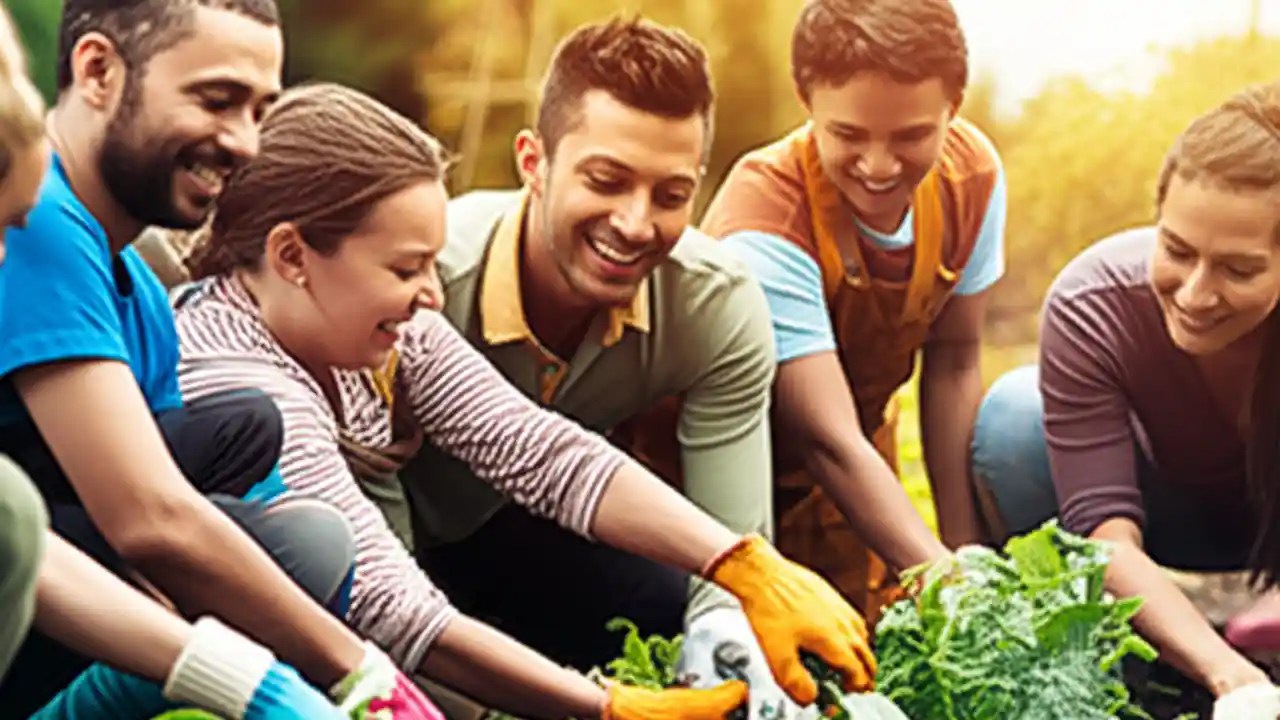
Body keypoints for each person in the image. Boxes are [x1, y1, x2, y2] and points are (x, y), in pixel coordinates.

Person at [175, 80, 876, 720]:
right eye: (405, 268)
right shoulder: (242, 379)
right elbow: (387, 606)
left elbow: (537, 449)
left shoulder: (371, 322)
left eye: (430, 262)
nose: (431, 293)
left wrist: (739, 561)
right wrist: (603, 708)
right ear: (293, 257)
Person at [0, 1, 437, 715]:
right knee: (298, 550)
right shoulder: (40, 222)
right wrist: (356, 670)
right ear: (98, 71)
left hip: (77, 582)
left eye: (260, 110)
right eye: (216, 100)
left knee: (260, 461)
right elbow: (148, 518)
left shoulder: (140, 283)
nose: (243, 142)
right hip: (29, 598)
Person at [399, 14, 780, 687]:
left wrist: (724, 633)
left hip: (537, 543)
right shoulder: (418, 286)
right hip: (389, 548)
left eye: (670, 195)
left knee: (671, 607)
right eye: (606, 180)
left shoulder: (712, 302)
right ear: (533, 164)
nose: (635, 224)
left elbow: (733, 549)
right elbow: (365, 585)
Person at [630, 0, 1003, 624]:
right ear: (807, 103)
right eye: (848, 135)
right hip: (708, 479)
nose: (880, 167)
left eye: (913, 135)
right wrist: (944, 579)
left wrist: (964, 550)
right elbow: (825, 439)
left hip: (854, 471)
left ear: (953, 108)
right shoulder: (766, 218)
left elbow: (956, 359)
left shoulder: (974, 177)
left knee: (865, 647)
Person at [970, 81, 1280, 719]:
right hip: (1172, 511)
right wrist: (1232, 678)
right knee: (1013, 422)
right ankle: (1136, 652)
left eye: (1239, 270)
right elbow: (1103, 536)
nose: (1195, 292)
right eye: (1177, 250)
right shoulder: (1095, 303)